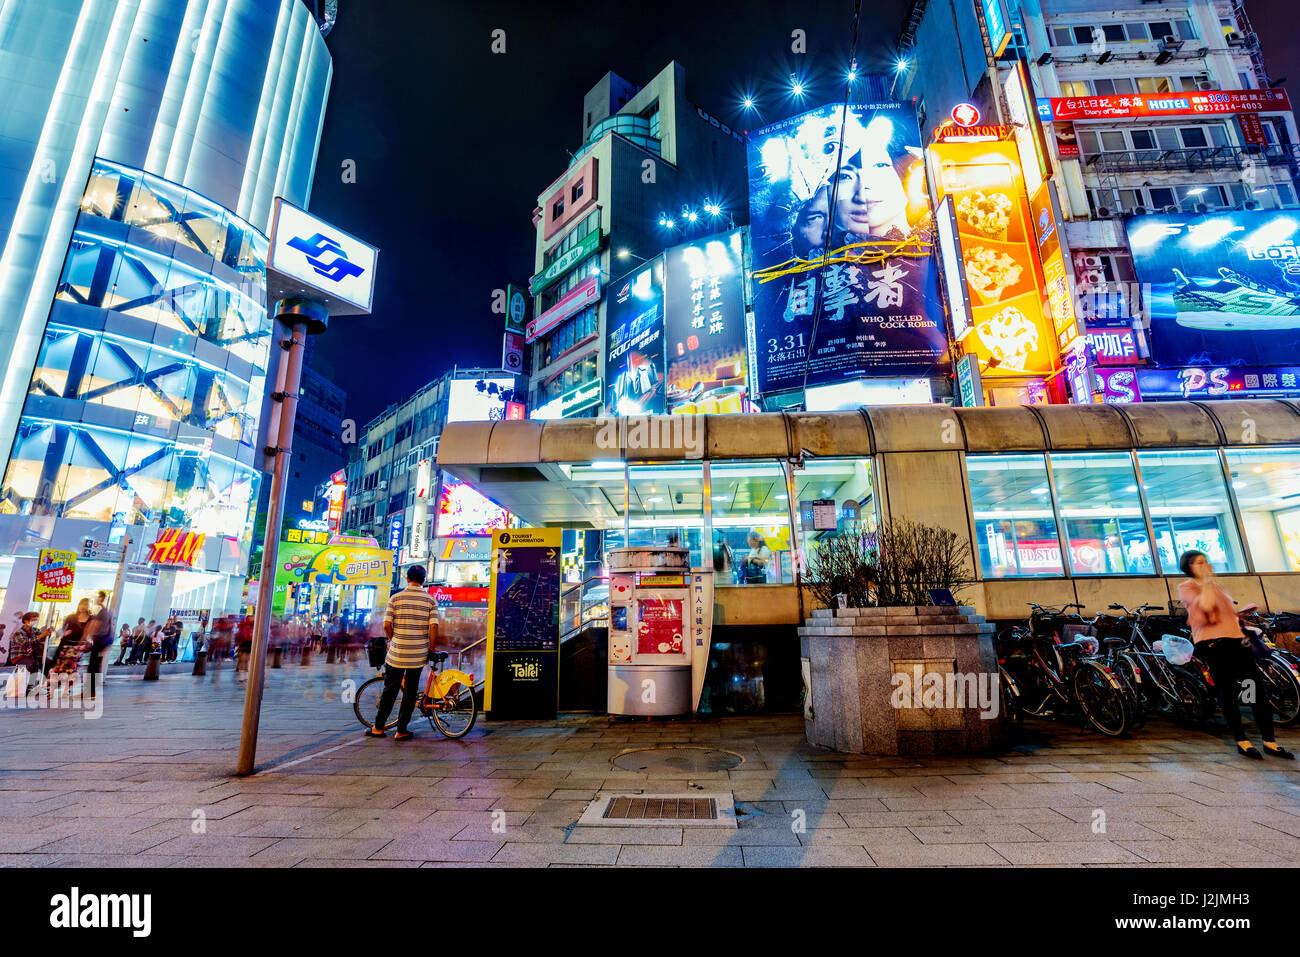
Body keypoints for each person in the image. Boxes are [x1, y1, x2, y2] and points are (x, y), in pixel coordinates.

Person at [1178, 549, 1294, 760]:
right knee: (1228, 690)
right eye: (1199, 563)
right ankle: (1242, 740)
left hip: (1237, 642)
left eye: (1206, 561)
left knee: (1254, 689)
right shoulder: (1187, 587)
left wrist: (1240, 614)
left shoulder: (1215, 586)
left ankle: (1269, 740)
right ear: (1189, 567)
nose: (1205, 565)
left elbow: (1224, 613)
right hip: (1214, 645)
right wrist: (1205, 584)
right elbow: (1204, 610)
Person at [367, 565, 438, 742]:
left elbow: (386, 625)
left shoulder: (395, 598)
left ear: (407, 578)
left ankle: (379, 727)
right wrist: (431, 648)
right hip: (417, 654)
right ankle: (401, 730)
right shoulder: (430, 600)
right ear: (424, 580)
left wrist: (393, 639)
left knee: (390, 689)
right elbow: (434, 627)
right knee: (410, 692)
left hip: (397, 653)